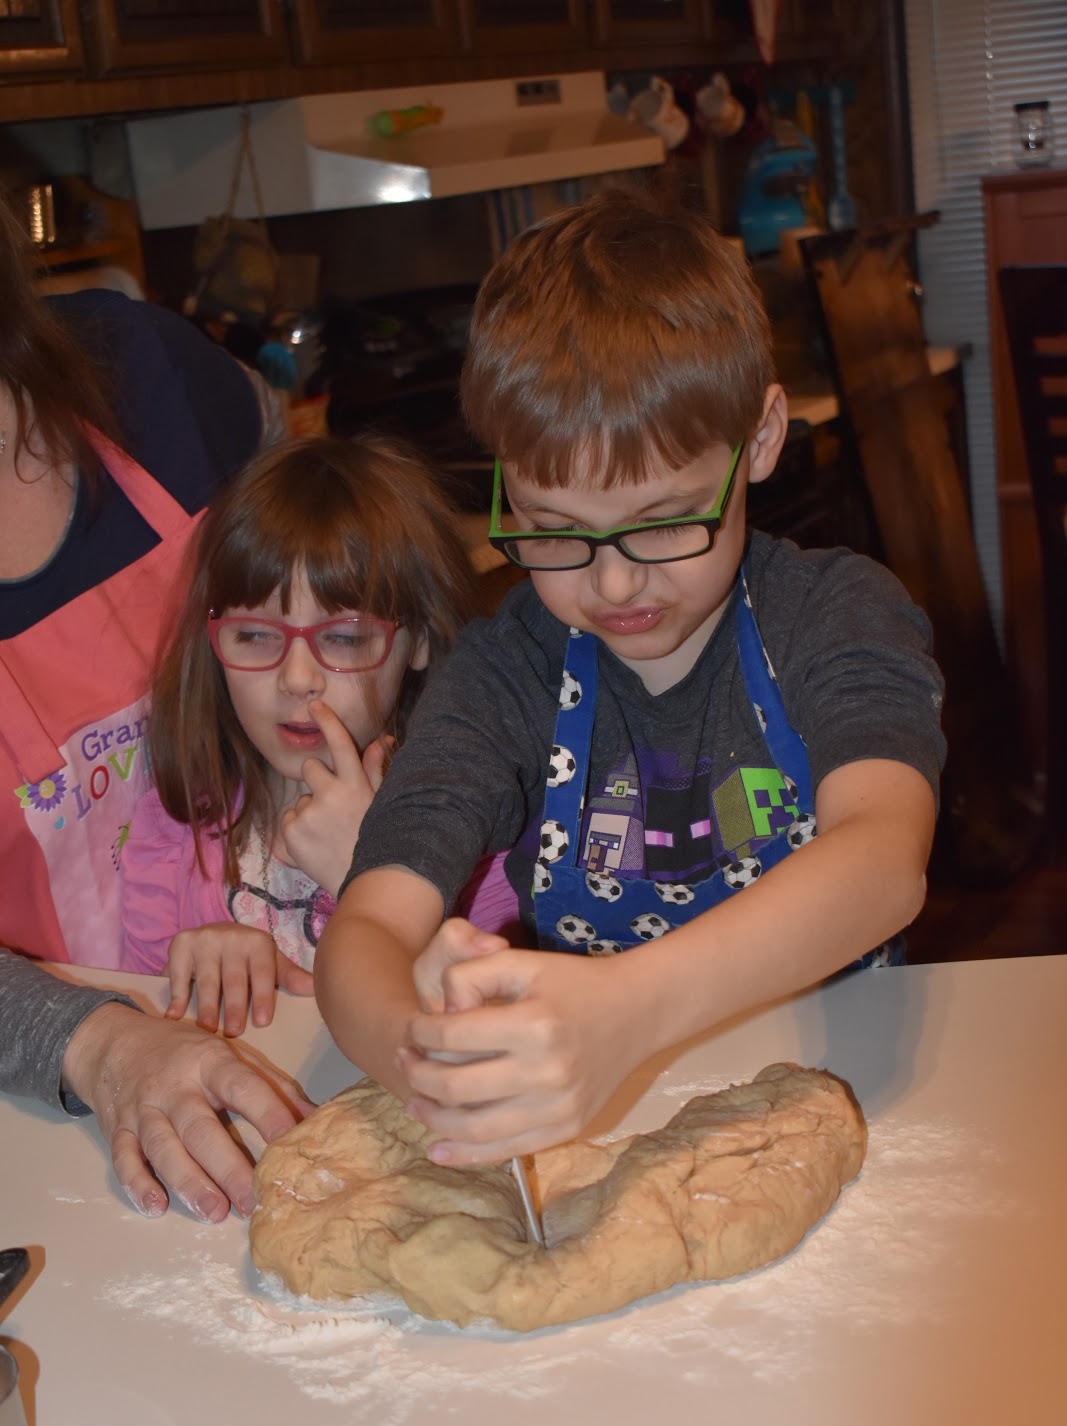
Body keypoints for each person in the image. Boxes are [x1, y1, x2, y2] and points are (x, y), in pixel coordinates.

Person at [314, 186, 947, 1169]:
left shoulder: (832, 614)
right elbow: (363, 931)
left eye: (662, 520)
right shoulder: (506, 670)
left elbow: (880, 861)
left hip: (839, 1088)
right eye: (554, 529)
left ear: (761, 437)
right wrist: (428, 1059)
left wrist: (625, 1010)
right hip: (597, 1124)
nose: (611, 581)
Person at [0, 184, 305, 1222]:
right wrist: (105, 1041)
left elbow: (333, 564)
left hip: (294, 1006)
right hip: (36, 1107)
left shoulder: (151, 379)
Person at [119, 432, 489, 1038]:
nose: (296, 679)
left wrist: (370, 873)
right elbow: (142, 1034)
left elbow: (484, 1026)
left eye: (344, 637)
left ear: (419, 639)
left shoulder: (474, 821)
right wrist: (195, 965)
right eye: (256, 635)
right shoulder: (173, 827)